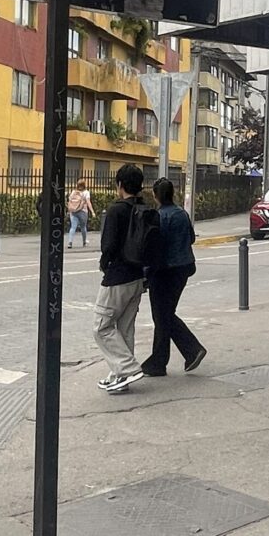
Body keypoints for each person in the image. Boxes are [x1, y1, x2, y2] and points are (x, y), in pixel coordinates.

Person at [94, 164, 152, 394]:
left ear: (120, 184)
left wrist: (104, 264)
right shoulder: (145, 209)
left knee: (101, 327)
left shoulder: (116, 210)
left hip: (117, 276)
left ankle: (127, 368)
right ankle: (120, 377)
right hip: (138, 276)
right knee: (125, 328)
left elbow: (108, 246)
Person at [141, 177, 207, 377]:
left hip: (165, 271)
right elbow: (191, 238)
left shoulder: (160, 216)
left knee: (163, 315)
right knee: (165, 314)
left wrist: (146, 275)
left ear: (155, 195)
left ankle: (190, 349)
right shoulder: (182, 214)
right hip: (183, 268)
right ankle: (160, 361)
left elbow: (155, 247)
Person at [66, 180, 93, 248]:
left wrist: (69, 210)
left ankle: (70, 242)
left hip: (73, 211)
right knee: (83, 227)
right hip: (82, 211)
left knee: (73, 227)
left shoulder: (74, 192)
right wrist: (92, 211)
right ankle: (84, 242)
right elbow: (88, 202)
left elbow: (69, 201)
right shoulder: (86, 192)